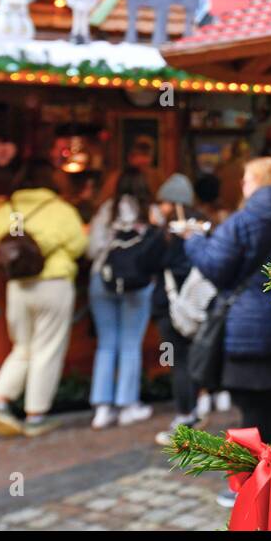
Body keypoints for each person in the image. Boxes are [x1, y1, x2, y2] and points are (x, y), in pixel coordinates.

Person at [183, 157, 271, 507]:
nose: (243, 187)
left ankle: (254, 485)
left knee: (253, 409)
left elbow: (217, 268)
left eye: (247, 180)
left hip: (250, 334)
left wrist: (192, 242)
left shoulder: (241, 223)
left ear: (258, 184)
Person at [0, 159, 87, 437]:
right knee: (48, 348)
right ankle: (36, 416)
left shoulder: (8, 211)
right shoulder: (61, 210)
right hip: (54, 285)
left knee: (23, 346)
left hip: (18, 287)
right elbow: (80, 245)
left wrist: (9, 251)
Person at [86, 168, 163, 429]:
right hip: (138, 283)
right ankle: (127, 404)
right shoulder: (152, 212)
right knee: (131, 342)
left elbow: (91, 248)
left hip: (102, 278)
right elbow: (161, 248)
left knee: (106, 342)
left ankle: (102, 407)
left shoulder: (107, 210)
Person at [149, 172, 211, 446]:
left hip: (172, 306)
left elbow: (148, 262)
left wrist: (152, 231)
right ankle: (199, 406)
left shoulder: (168, 234)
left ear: (174, 203)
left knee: (178, 363)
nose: (160, 208)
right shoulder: (205, 227)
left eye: (163, 202)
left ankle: (185, 417)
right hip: (199, 305)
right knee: (194, 358)